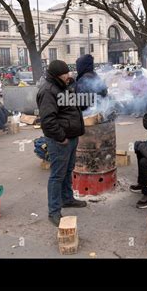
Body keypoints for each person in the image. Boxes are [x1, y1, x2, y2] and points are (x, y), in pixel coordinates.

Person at [37, 60, 87, 226]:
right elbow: (48, 120)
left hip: (71, 137)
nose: (69, 75)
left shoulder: (64, 87)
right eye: (66, 73)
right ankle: (54, 211)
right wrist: (61, 137)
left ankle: (67, 198)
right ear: (58, 75)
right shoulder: (48, 91)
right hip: (60, 140)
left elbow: (72, 108)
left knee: (68, 170)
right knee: (57, 175)